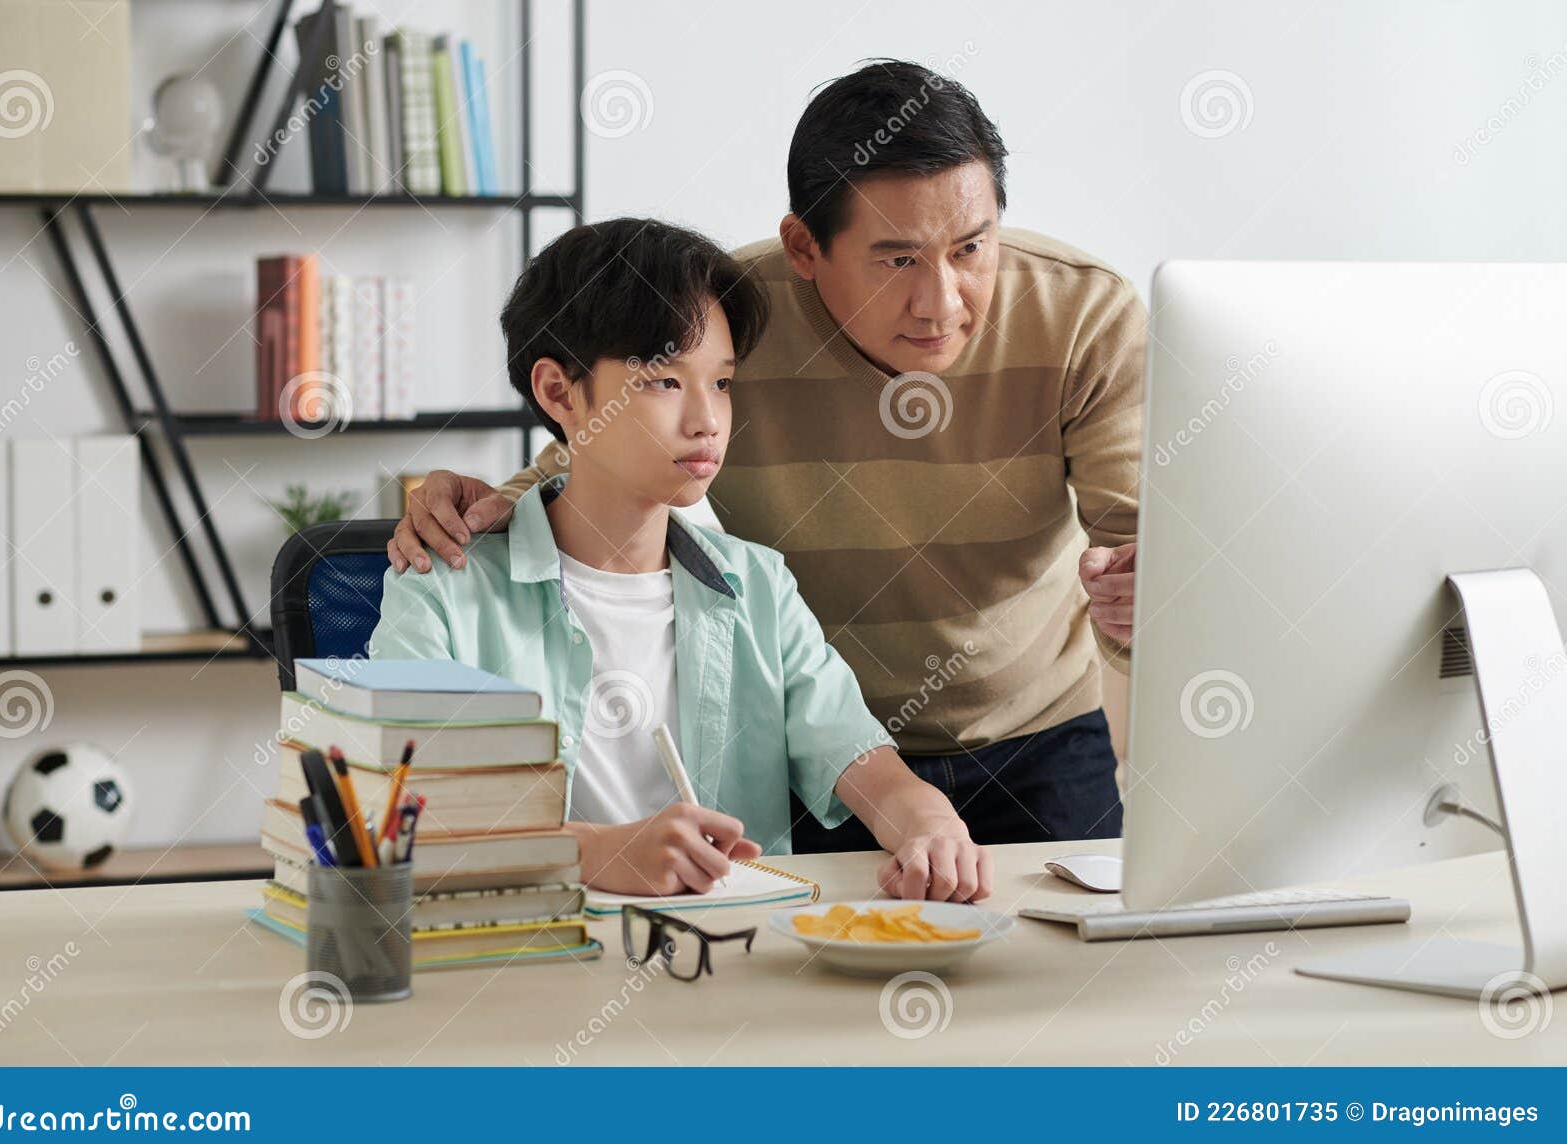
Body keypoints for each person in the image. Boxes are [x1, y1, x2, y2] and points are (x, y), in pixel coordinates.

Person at [387, 60, 1144, 852]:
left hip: (1034, 733)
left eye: (971, 248)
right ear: (805, 248)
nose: (941, 303)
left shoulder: (1084, 314)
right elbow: (596, 433)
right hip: (815, 760)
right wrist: (478, 508)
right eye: (897, 260)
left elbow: (1146, 563)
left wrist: (1147, 599)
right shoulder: (725, 310)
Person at [368, 217, 992, 902]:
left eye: (721, 383)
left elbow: (863, 762)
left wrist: (930, 824)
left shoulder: (757, 585)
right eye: (665, 381)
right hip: (533, 948)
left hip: (735, 949)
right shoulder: (441, 590)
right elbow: (393, 821)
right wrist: (596, 852)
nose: (708, 420)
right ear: (558, 392)